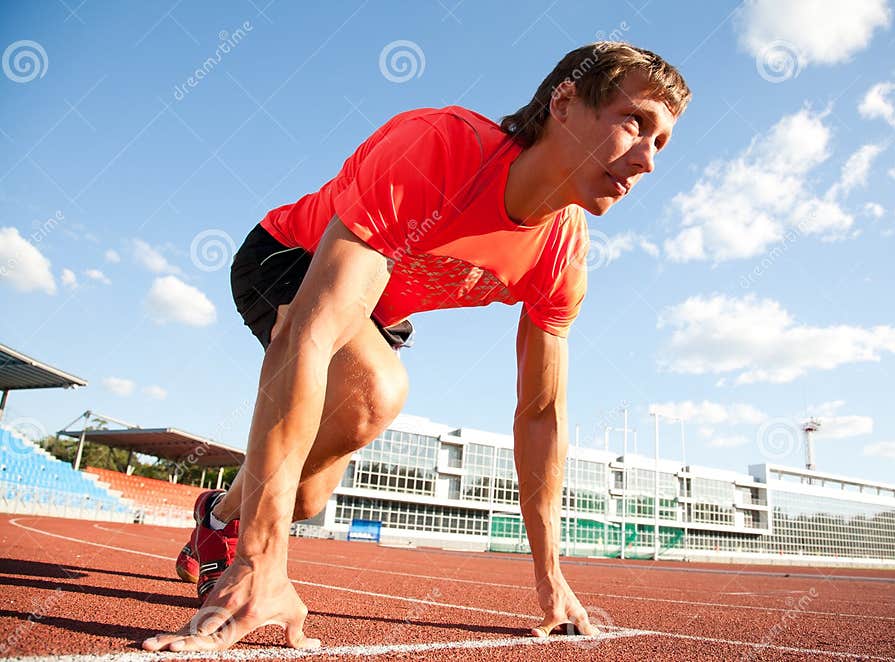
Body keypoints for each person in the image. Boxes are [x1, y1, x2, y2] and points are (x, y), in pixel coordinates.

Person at [143, 41, 690, 653]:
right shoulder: (441, 148)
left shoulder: (563, 253)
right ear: (564, 103)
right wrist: (260, 561)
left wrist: (551, 578)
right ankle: (244, 552)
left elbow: (541, 414)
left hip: (381, 311)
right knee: (375, 394)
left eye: (661, 142)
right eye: (634, 122)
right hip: (291, 255)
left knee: (307, 497)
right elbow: (308, 335)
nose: (647, 160)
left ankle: (217, 517)